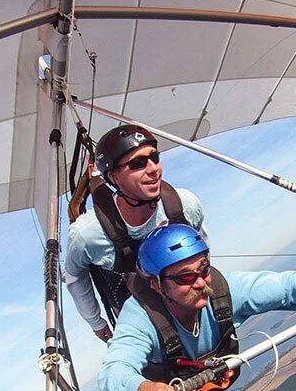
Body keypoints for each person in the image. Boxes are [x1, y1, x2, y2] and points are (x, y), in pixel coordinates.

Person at [98, 224, 296, 391]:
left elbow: (287, 287)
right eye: (185, 277)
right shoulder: (140, 316)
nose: (200, 282)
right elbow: (114, 370)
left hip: (218, 374)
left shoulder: (222, 290)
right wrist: (141, 389)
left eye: (204, 269)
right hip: (174, 390)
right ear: (157, 285)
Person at [65, 124, 208, 342]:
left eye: (155, 157)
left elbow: (202, 248)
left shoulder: (183, 204)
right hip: (140, 314)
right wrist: (96, 322)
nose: (153, 169)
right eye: (138, 164)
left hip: (188, 302)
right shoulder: (88, 233)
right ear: (114, 177)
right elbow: (75, 276)